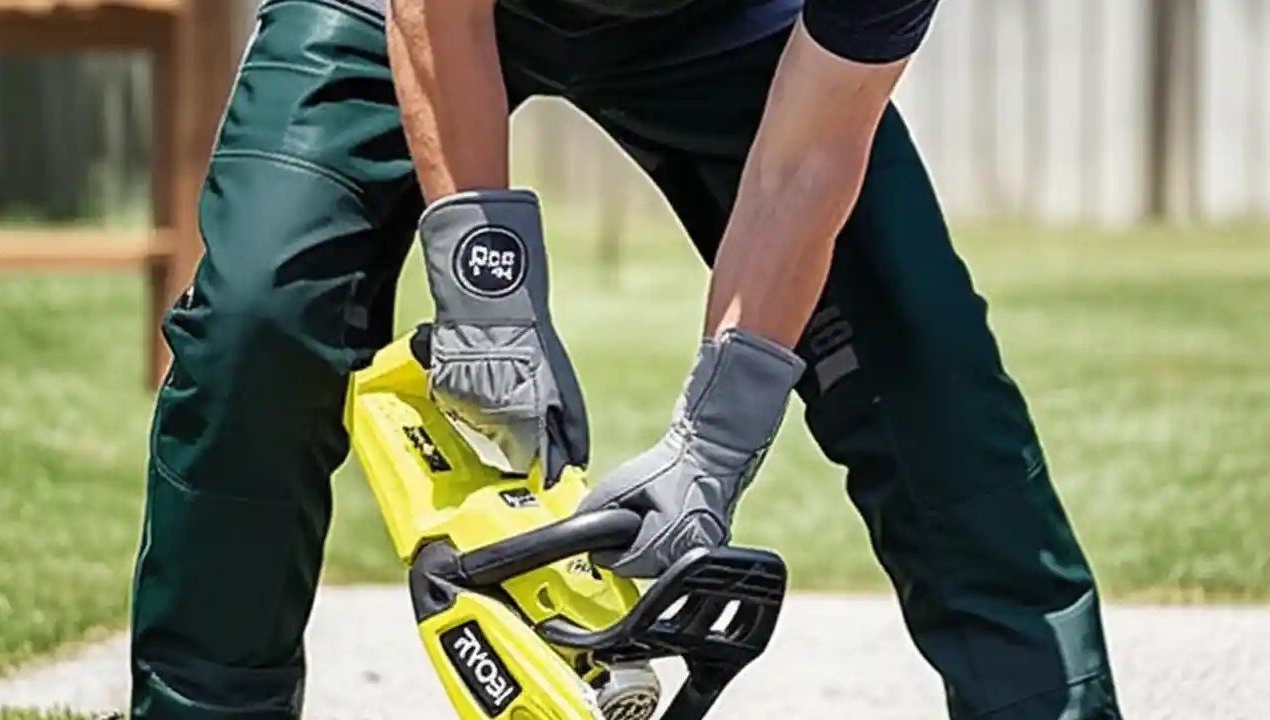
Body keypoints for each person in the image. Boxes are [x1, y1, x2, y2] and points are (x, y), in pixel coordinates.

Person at [128, 0, 1121, 717]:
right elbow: (439, 14)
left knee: (924, 369)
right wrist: (485, 299)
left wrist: (715, 441)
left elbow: (805, 159)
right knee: (258, 323)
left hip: (729, 29)